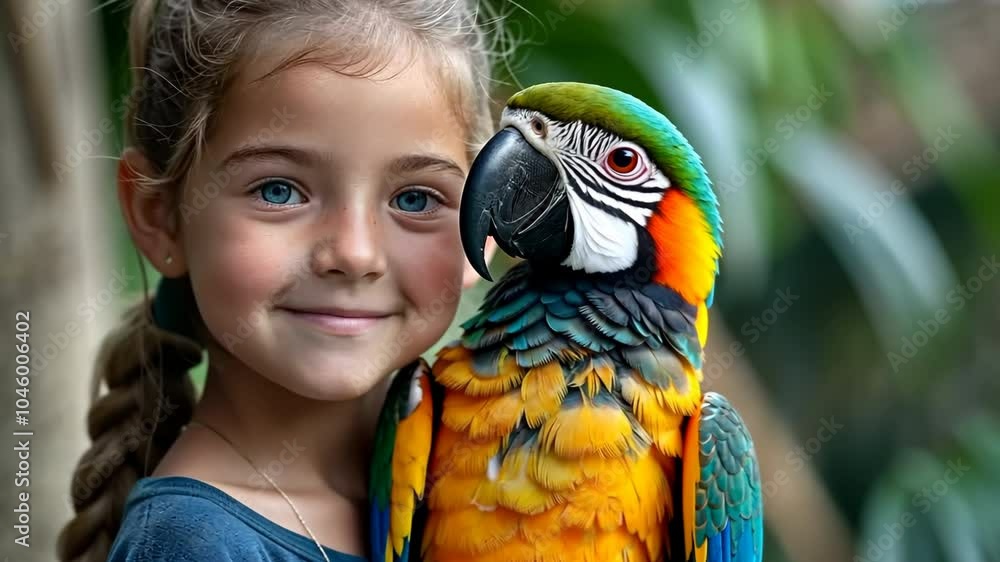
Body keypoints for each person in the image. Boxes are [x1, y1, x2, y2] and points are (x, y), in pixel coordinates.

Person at [57, 0, 499, 559]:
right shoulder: (191, 544)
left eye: (415, 199)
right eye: (278, 190)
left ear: (485, 223)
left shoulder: (498, 490)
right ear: (160, 216)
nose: (355, 254)